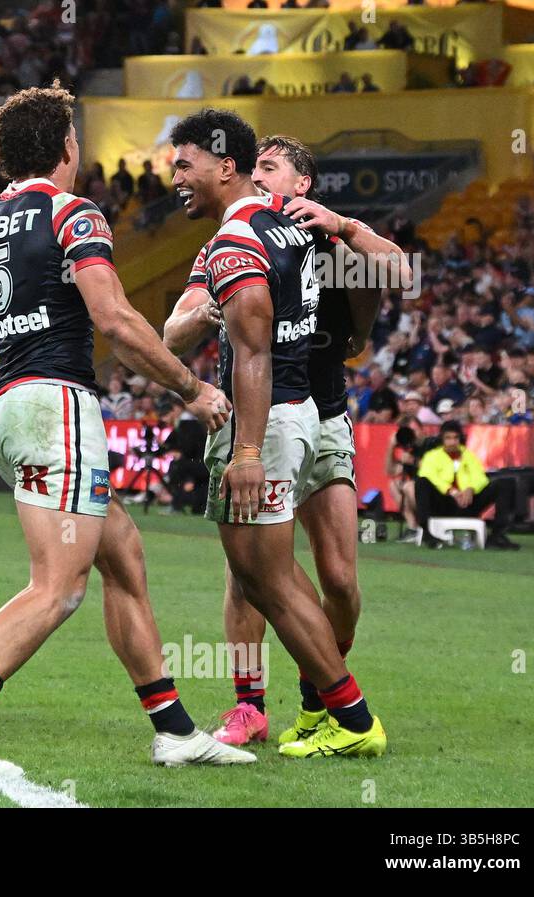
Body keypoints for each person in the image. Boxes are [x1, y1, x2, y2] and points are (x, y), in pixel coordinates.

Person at [0, 83, 252, 776]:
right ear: (67, 148)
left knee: (122, 555)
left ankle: (175, 729)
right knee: (59, 587)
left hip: (13, 405)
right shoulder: (74, 213)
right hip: (57, 404)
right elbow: (117, 323)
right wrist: (193, 389)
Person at [165, 131, 406, 749]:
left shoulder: (325, 237)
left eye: (273, 168)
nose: (261, 175)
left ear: (302, 185)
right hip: (264, 413)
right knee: (248, 570)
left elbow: (398, 269)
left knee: (340, 580)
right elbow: (173, 332)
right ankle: (254, 705)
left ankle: (324, 697)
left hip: (321, 415)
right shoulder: (232, 242)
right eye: (257, 166)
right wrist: (202, 315)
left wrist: (346, 226)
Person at [415, 421, 520, 550]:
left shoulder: (468, 455)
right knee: (421, 482)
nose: (452, 442)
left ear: (460, 439)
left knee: (505, 483)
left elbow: (480, 477)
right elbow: (430, 475)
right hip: (444, 502)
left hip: (468, 502)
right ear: (442, 439)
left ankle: (497, 535)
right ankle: (427, 531)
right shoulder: (432, 456)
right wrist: (451, 491)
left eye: (455, 438)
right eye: (448, 438)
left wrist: (470, 489)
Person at [386, 422, 421, 541]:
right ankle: (413, 528)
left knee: (409, 486)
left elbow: (434, 468)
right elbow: (391, 471)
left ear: (422, 430)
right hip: (416, 494)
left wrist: (414, 461)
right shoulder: (409, 451)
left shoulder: (429, 444)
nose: (412, 434)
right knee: (394, 485)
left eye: (415, 430)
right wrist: (391, 446)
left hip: (433, 493)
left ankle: (425, 525)